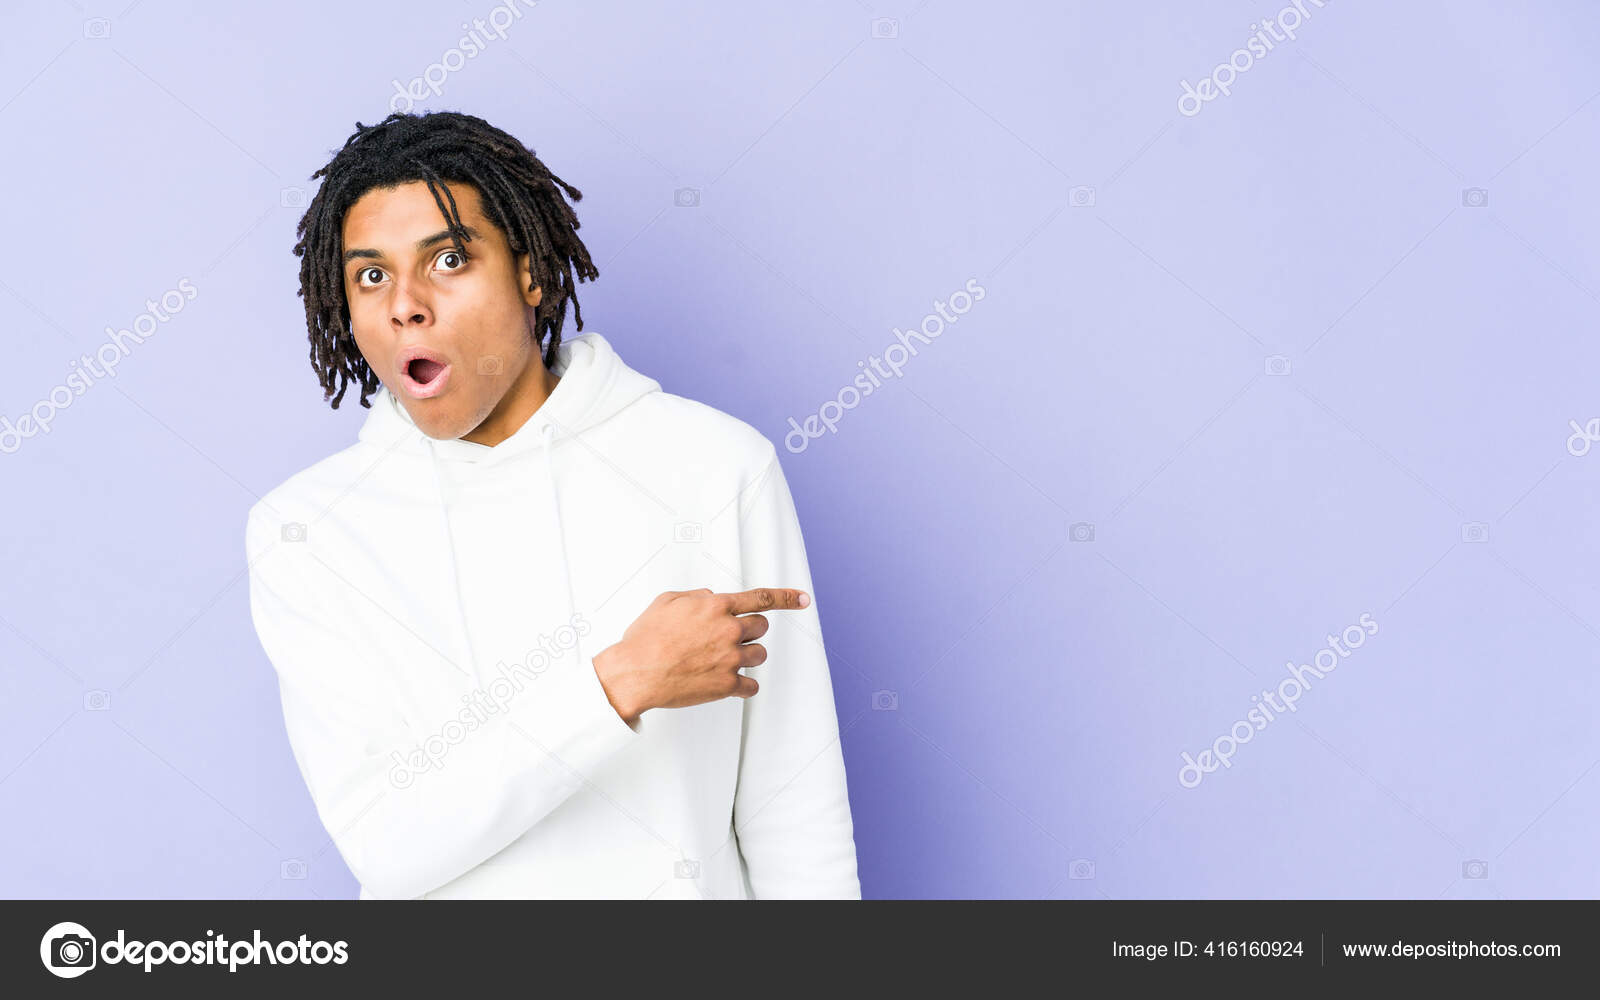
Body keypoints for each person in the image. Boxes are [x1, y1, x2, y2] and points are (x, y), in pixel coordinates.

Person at [244, 110, 860, 899]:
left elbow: (796, 812)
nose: (406, 305)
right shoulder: (311, 533)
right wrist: (622, 680)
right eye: (372, 275)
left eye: (449, 259)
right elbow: (388, 845)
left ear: (530, 273)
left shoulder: (716, 466)